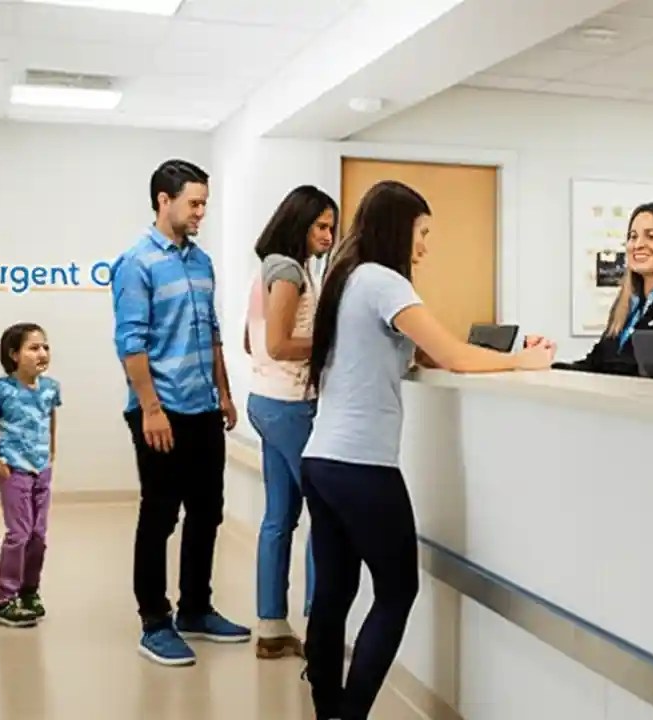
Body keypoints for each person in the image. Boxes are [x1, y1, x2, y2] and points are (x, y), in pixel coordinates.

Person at [300, 180, 555, 719]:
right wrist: (520, 362)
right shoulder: (384, 281)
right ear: (398, 229)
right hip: (362, 464)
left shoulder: (347, 278)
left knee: (334, 595)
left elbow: (425, 354)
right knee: (396, 592)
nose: (425, 245)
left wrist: (475, 355)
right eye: (422, 233)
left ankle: (328, 711)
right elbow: (453, 355)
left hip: (322, 458)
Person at [110, 158, 249, 667]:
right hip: (160, 411)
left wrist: (225, 394)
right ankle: (154, 621)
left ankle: (196, 608)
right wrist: (150, 408)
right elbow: (131, 344)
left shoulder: (201, 262)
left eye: (205, 204)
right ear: (163, 201)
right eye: (194, 203)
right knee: (160, 515)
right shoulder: (137, 263)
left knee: (208, 511)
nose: (200, 212)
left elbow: (211, 333)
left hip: (203, 409)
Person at [242, 185, 337, 659]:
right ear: (299, 222)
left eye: (331, 227)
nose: (328, 235)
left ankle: (272, 628)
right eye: (321, 225)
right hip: (291, 406)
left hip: (266, 402)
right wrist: (334, 345)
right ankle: (321, 630)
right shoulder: (289, 271)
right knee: (326, 514)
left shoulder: (268, 270)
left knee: (279, 516)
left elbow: (251, 343)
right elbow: (280, 344)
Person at [557, 202, 653, 374]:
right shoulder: (624, 305)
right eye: (633, 237)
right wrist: (546, 365)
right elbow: (595, 364)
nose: (638, 244)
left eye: (651, 236)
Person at [0, 322, 60, 628]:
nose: (42, 353)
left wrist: (51, 450)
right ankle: (5, 599)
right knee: (19, 534)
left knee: (38, 535)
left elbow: (50, 416)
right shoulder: (2, 389)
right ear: (14, 354)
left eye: (45, 347)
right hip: (15, 471)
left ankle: (29, 591)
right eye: (33, 347)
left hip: (42, 471)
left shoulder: (51, 388)